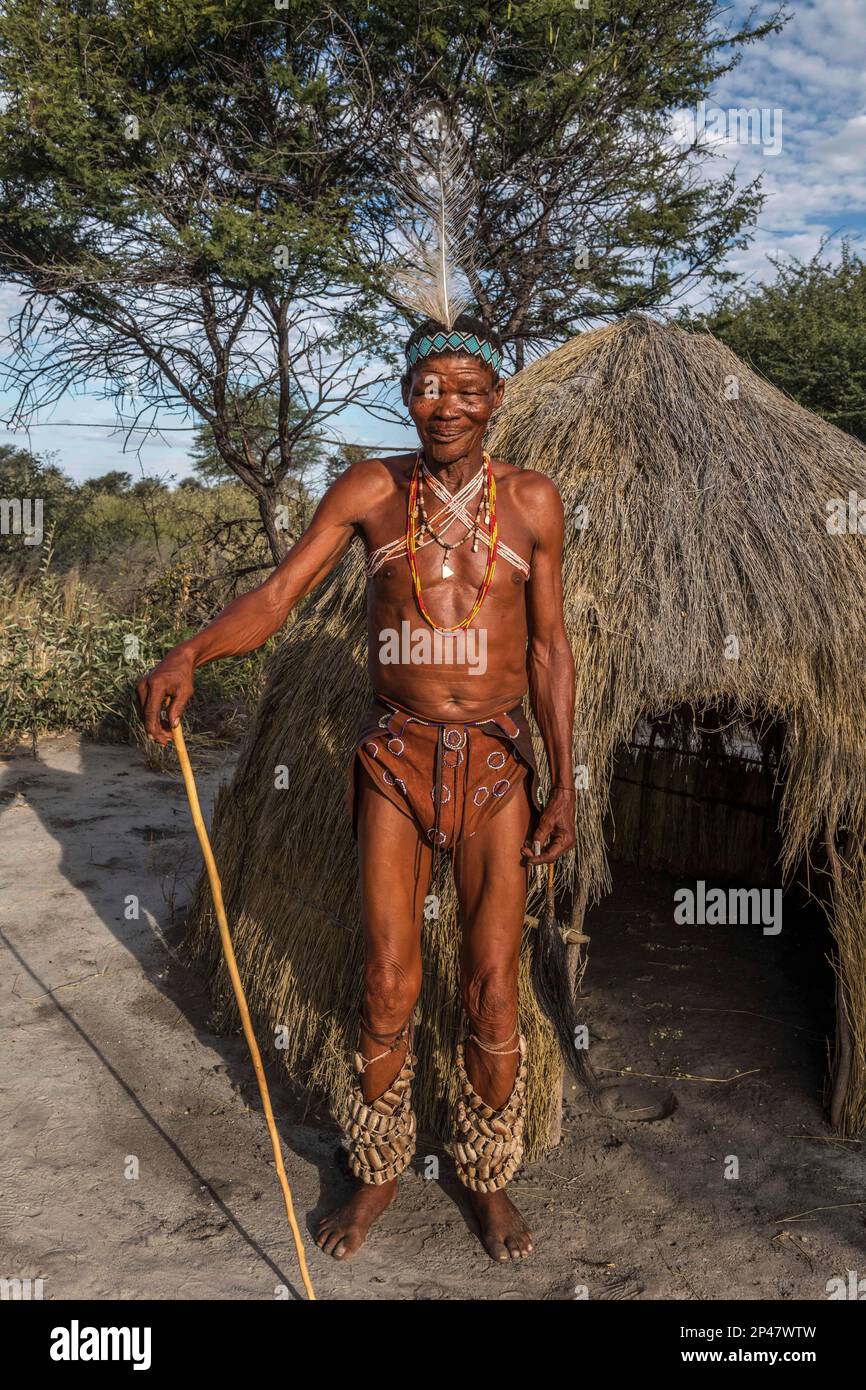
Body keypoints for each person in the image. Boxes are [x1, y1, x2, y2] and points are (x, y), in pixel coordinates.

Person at [137, 312, 577, 1263]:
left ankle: (486, 1175)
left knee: (494, 989)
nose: (446, 406)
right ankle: (377, 1170)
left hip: (498, 765)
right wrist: (191, 650)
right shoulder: (376, 488)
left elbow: (547, 651)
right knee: (386, 978)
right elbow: (277, 597)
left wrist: (565, 783)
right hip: (395, 760)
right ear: (406, 395)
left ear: (498, 399)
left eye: (467, 390)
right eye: (428, 388)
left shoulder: (534, 501)